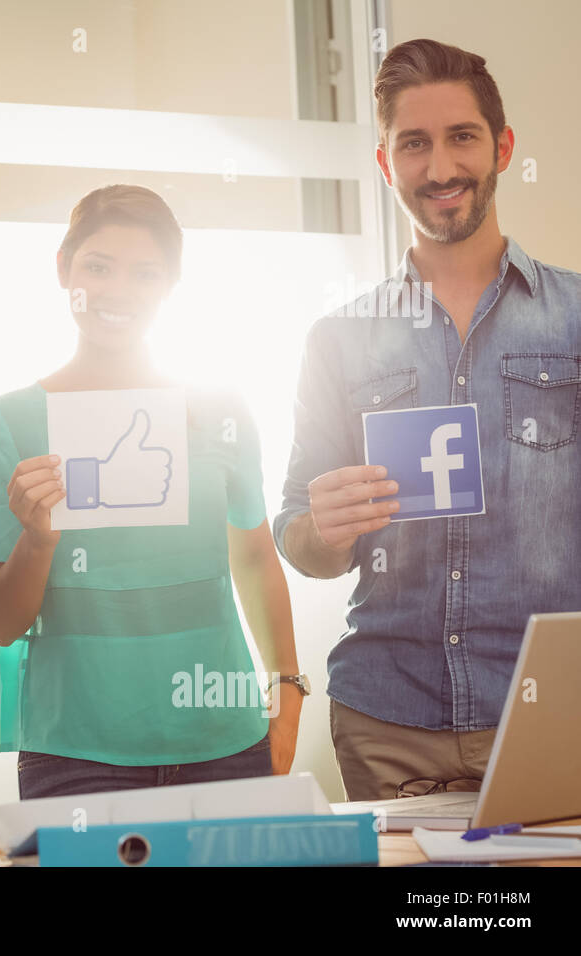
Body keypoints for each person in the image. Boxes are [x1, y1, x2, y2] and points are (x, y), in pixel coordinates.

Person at [274, 39, 581, 800]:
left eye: (462, 137)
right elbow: (299, 540)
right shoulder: (336, 339)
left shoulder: (577, 320)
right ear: (386, 163)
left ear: (502, 147)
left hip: (553, 712)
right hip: (387, 718)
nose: (440, 168)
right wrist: (327, 526)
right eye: (414, 144)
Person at [0, 184, 303, 800]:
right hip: (75, 756)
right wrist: (38, 542)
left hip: (224, 742)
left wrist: (288, 692)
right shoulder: (2, 425)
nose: (119, 291)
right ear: (64, 270)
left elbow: (253, 557)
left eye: (146, 273)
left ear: (172, 285)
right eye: (98, 266)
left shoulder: (220, 406)